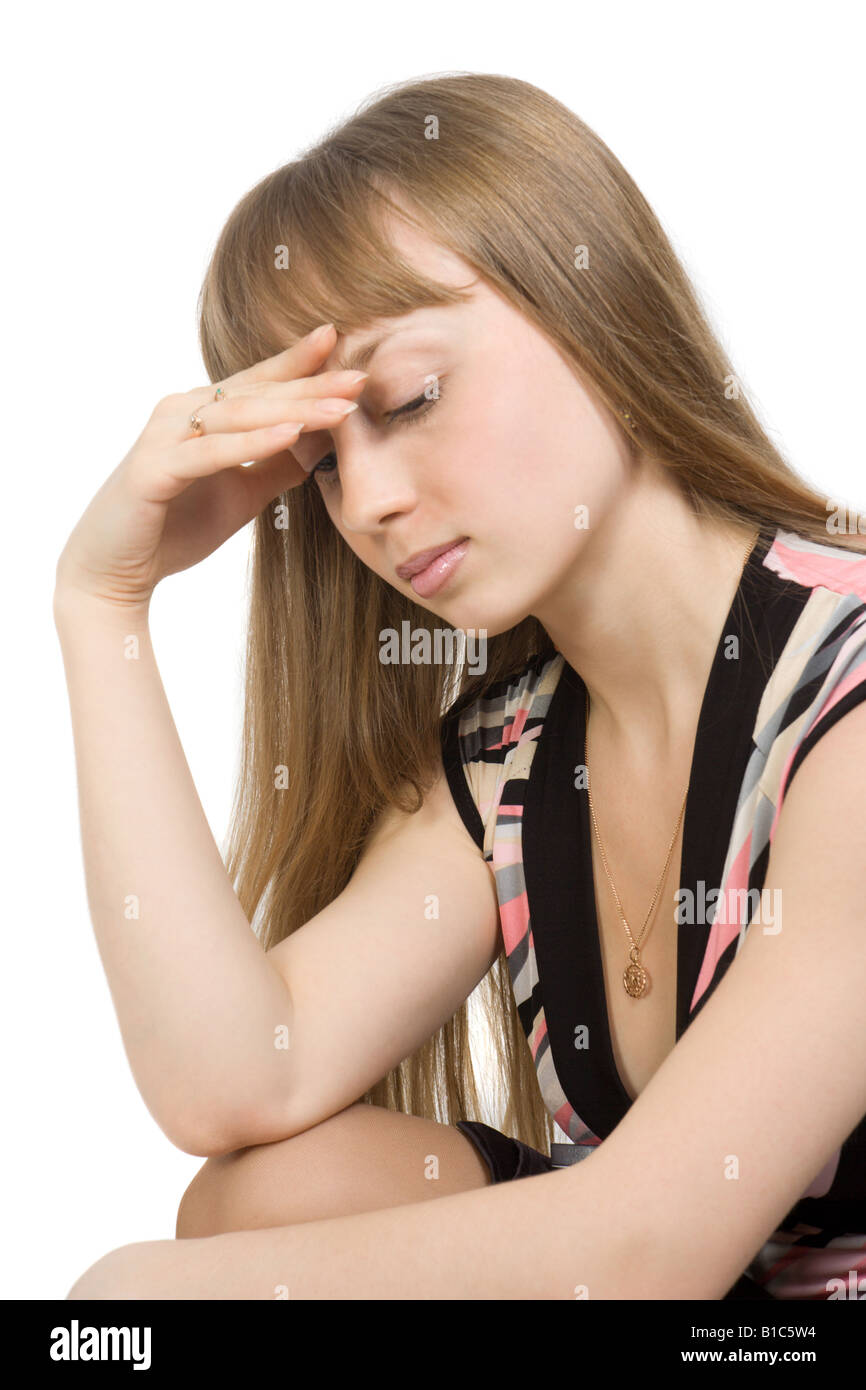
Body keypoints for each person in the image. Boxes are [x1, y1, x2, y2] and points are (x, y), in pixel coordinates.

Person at [58, 73, 866, 1301]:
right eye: (321, 460)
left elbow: (649, 1254)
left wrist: (135, 1296)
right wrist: (101, 606)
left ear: (587, 299)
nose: (368, 503)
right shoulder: (515, 755)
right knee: (256, 1196)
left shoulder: (844, 691)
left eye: (409, 398)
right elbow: (238, 1083)